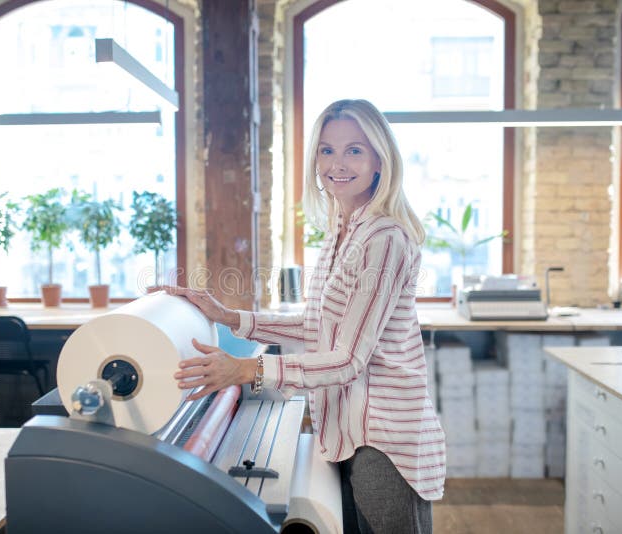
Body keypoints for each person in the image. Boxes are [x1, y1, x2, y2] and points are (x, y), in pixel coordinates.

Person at [162, 99, 445, 533]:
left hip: (383, 441)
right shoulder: (342, 229)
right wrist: (227, 317)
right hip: (348, 430)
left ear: (379, 160)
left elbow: (348, 359)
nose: (337, 163)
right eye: (327, 150)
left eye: (354, 150)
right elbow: (319, 327)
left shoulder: (383, 238)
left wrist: (247, 369)